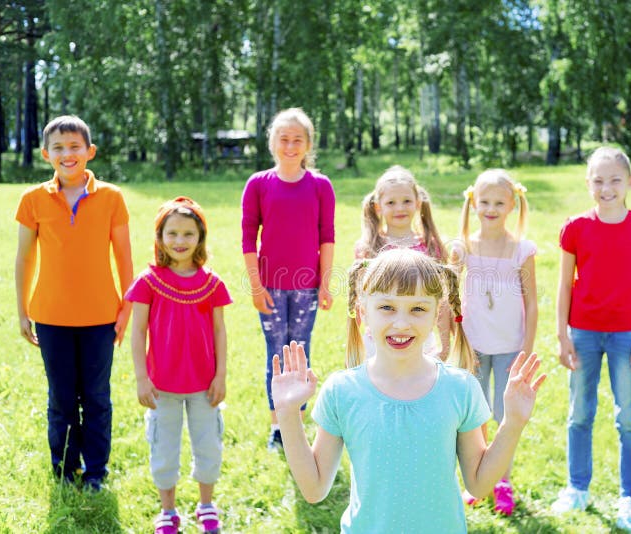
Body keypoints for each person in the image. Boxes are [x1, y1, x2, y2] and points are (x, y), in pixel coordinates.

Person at [272, 249, 546, 533]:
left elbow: (478, 484)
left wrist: (512, 423)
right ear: (364, 312)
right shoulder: (342, 392)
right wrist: (288, 413)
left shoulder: (459, 389)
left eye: (418, 309)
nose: (402, 323)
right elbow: (314, 489)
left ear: (436, 314)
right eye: (387, 307)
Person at [14, 115, 134, 491]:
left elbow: (124, 257)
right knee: (62, 398)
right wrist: (22, 311)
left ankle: (96, 471)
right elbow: (24, 259)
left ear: (90, 151)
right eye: (59, 148)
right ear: (45, 154)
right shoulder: (32, 200)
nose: (67, 154)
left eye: (75, 147)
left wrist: (127, 308)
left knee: (97, 397)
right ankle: (65, 470)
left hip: (101, 317)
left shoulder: (111, 197)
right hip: (51, 318)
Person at [550, 147, 631, 531]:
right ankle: (577, 488)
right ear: (587, 183)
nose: (606, 188)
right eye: (598, 180)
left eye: (615, 180)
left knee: (628, 417)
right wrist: (561, 335)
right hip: (582, 332)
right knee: (580, 413)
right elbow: (564, 285)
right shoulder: (575, 227)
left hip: (627, 333)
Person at [126, 197, 231, 534]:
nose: (180, 241)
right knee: (164, 448)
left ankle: (206, 505)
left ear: (200, 238)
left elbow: (219, 331)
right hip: (161, 386)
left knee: (208, 445)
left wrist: (221, 375)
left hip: (204, 385)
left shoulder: (212, 283)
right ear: (159, 237)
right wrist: (141, 378)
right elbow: (137, 331)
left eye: (188, 234)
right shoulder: (148, 281)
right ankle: (168, 510)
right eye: (172, 233)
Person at [241, 108, 336, 451]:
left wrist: (325, 284)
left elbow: (327, 237)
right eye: (284, 139)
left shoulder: (320, 186)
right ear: (273, 143)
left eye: (298, 140)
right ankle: (277, 427)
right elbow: (248, 238)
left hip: (306, 287)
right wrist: (256, 287)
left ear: (308, 144)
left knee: (300, 351)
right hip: (269, 286)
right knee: (276, 353)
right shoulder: (258, 184)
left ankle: (295, 422)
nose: (291, 146)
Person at [450, 168, 537, 514]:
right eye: (484, 201)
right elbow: (450, 299)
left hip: (510, 347)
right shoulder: (463, 248)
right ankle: (477, 478)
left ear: (512, 204)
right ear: (473, 203)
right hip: (473, 345)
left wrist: (526, 349)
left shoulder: (522, 250)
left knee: (504, 415)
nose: (491, 208)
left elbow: (532, 303)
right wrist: (455, 341)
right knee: (476, 414)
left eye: (499, 203)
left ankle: (502, 481)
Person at [354, 165, 450, 359]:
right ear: (378, 206)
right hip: (378, 341)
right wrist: (354, 347)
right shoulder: (369, 248)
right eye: (391, 202)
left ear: (418, 203)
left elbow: (442, 301)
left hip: (420, 340)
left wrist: (445, 346)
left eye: (406, 201)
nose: (400, 208)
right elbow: (358, 301)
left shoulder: (430, 247)